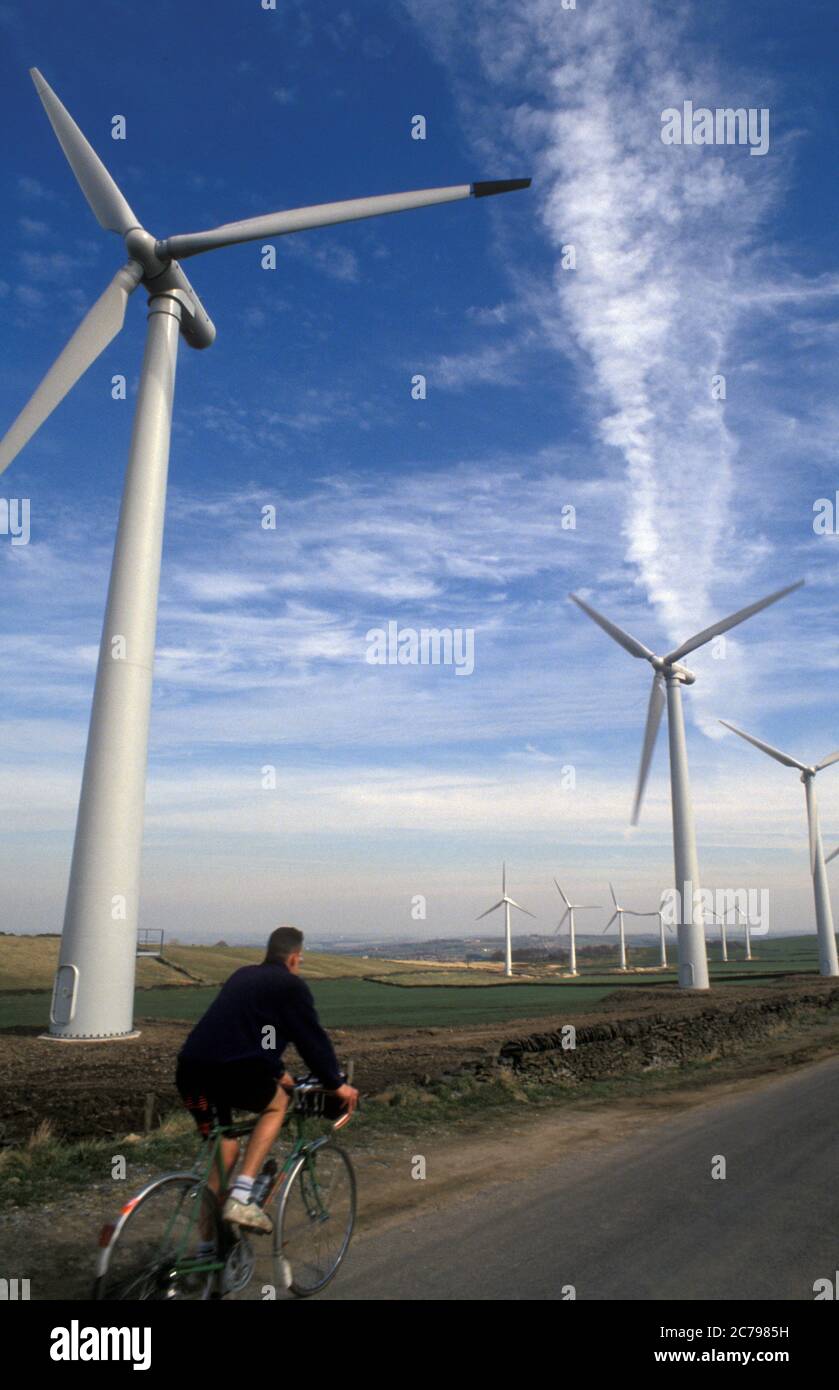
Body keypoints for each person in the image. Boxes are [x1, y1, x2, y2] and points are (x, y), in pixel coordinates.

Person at [175, 925, 359, 1234]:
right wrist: (335, 1083)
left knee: (225, 1151)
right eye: (300, 960)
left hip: (191, 1072)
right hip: (229, 1072)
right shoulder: (290, 986)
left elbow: (260, 1033)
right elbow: (311, 1039)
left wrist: (277, 1071)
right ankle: (243, 1196)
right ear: (294, 958)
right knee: (278, 1104)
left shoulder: (242, 976)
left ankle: (205, 1253)